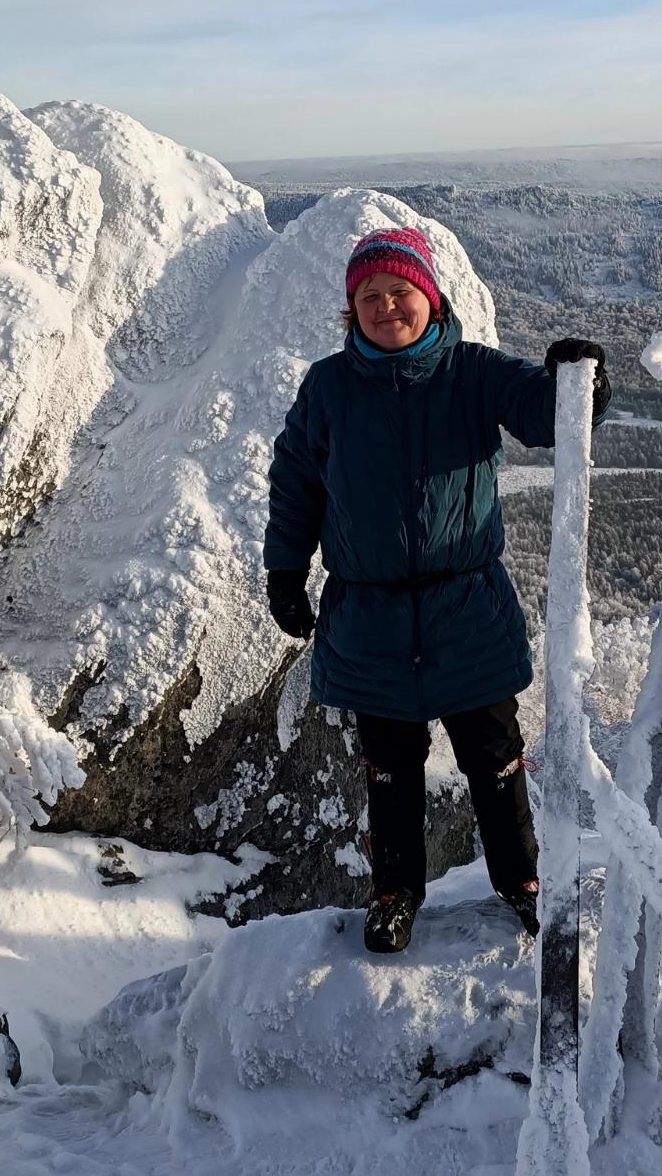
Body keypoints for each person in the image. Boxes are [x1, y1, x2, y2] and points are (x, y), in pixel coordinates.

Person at [263, 225, 608, 954]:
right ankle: (395, 895)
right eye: (370, 297)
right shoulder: (328, 387)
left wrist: (580, 386)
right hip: (369, 613)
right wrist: (285, 571)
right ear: (351, 311)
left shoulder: (472, 372)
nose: (387, 307)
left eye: (401, 293)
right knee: (389, 766)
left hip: (465, 607)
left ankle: (522, 881)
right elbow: (295, 482)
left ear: (430, 297)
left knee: (494, 755)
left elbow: (547, 416)